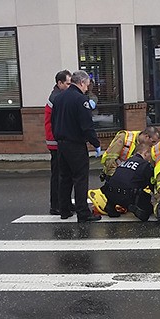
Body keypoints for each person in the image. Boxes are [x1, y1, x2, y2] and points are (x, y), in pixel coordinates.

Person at [51, 69, 102, 222]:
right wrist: (96, 143)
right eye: (87, 85)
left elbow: (54, 122)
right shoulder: (81, 100)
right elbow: (87, 126)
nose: (87, 88)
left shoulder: (59, 99)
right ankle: (83, 213)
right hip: (75, 145)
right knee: (80, 178)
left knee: (64, 177)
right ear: (81, 83)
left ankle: (64, 210)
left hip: (61, 144)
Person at [92, 139, 154, 221]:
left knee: (118, 184)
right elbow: (151, 183)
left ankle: (110, 206)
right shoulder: (145, 165)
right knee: (148, 204)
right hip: (128, 195)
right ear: (146, 153)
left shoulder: (126, 161)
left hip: (110, 193)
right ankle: (132, 206)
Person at [44, 69, 72, 214]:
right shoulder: (57, 98)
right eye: (67, 83)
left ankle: (64, 203)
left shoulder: (57, 95)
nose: (69, 86)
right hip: (56, 142)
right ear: (59, 83)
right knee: (58, 175)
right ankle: (56, 205)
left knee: (63, 174)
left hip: (56, 140)